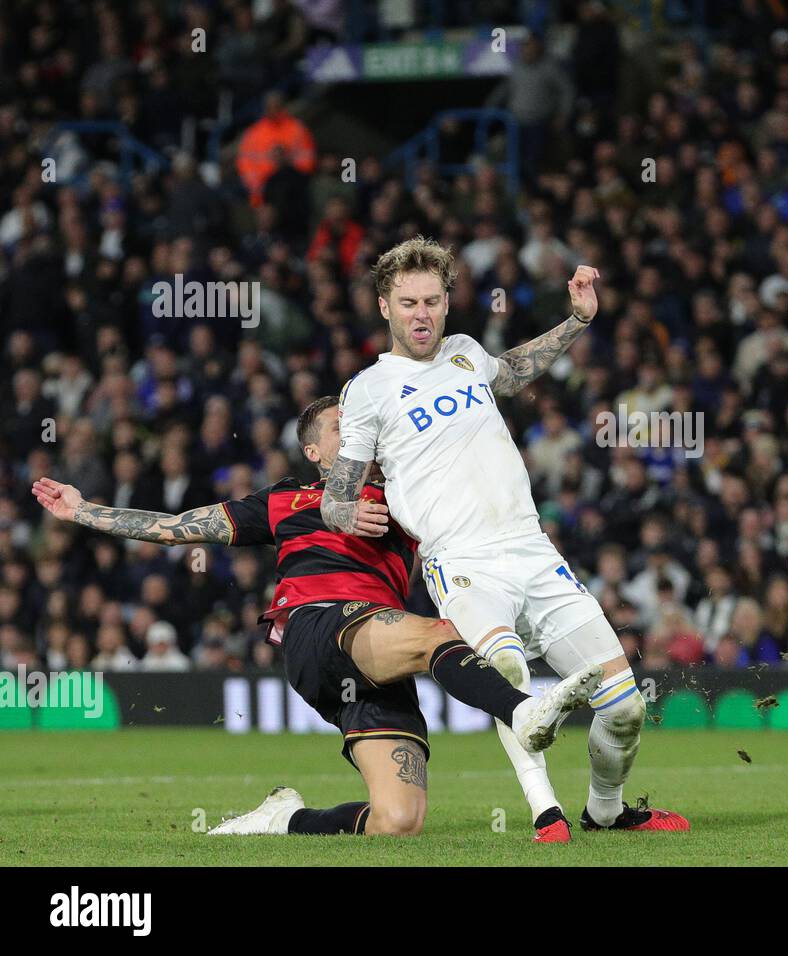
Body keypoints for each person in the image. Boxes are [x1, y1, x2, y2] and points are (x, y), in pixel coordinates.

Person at [32, 395, 600, 838]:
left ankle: (283, 820)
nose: (356, 432)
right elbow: (180, 526)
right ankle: (523, 712)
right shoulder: (285, 500)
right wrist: (85, 511)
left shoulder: (406, 496)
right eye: (339, 427)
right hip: (319, 626)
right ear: (313, 451)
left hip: (378, 656)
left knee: (398, 821)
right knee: (442, 635)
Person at [321, 237, 688, 842]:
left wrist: (577, 320)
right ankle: (547, 814)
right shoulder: (367, 390)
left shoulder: (465, 352)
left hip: (533, 551)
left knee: (624, 707)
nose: (422, 313)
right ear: (384, 306)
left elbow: (513, 371)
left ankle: (606, 812)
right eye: (408, 302)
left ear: (446, 302)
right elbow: (338, 494)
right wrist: (344, 515)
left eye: (433, 301)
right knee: (509, 672)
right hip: (461, 560)